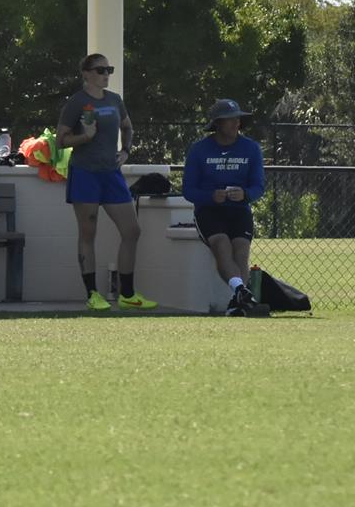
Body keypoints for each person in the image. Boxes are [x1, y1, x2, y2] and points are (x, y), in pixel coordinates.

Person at [57, 53, 158, 310]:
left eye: (109, 70)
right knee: (88, 233)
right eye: (101, 70)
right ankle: (92, 294)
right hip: (85, 174)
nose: (106, 75)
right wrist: (85, 137)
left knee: (132, 231)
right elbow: (61, 140)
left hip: (111, 174)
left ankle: (127, 293)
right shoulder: (76, 102)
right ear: (86, 73)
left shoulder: (115, 100)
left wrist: (125, 151)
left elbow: (128, 126)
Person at [182, 98, 267, 315]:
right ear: (217, 124)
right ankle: (242, 293)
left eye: (237, 119)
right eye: (229, 120)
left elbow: (258, 186)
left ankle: (238, 301)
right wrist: (211, 196)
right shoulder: (199, 150)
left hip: (239, 210)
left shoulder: (251, 148)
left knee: (241, 249)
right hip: (208, 211)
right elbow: (188, 190)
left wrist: (245, 194)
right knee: (221, 244)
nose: (235, 124)